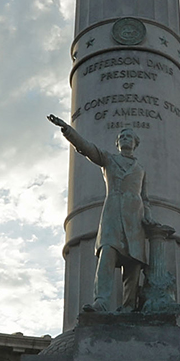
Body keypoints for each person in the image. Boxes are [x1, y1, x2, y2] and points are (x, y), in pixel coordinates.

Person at [49, 114, 148, 311]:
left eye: (128, 137)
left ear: (135, 143)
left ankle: (129, 307)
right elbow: (87, 148)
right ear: (117, 144)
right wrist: (68, 131)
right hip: (112, 212)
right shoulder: (109, 159)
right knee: (107, 254)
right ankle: (101, 302)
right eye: (121, 137)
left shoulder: (141, 169)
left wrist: (149, 217)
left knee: (134, 264)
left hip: (135, 216)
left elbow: (145, 197)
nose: (124, 139)